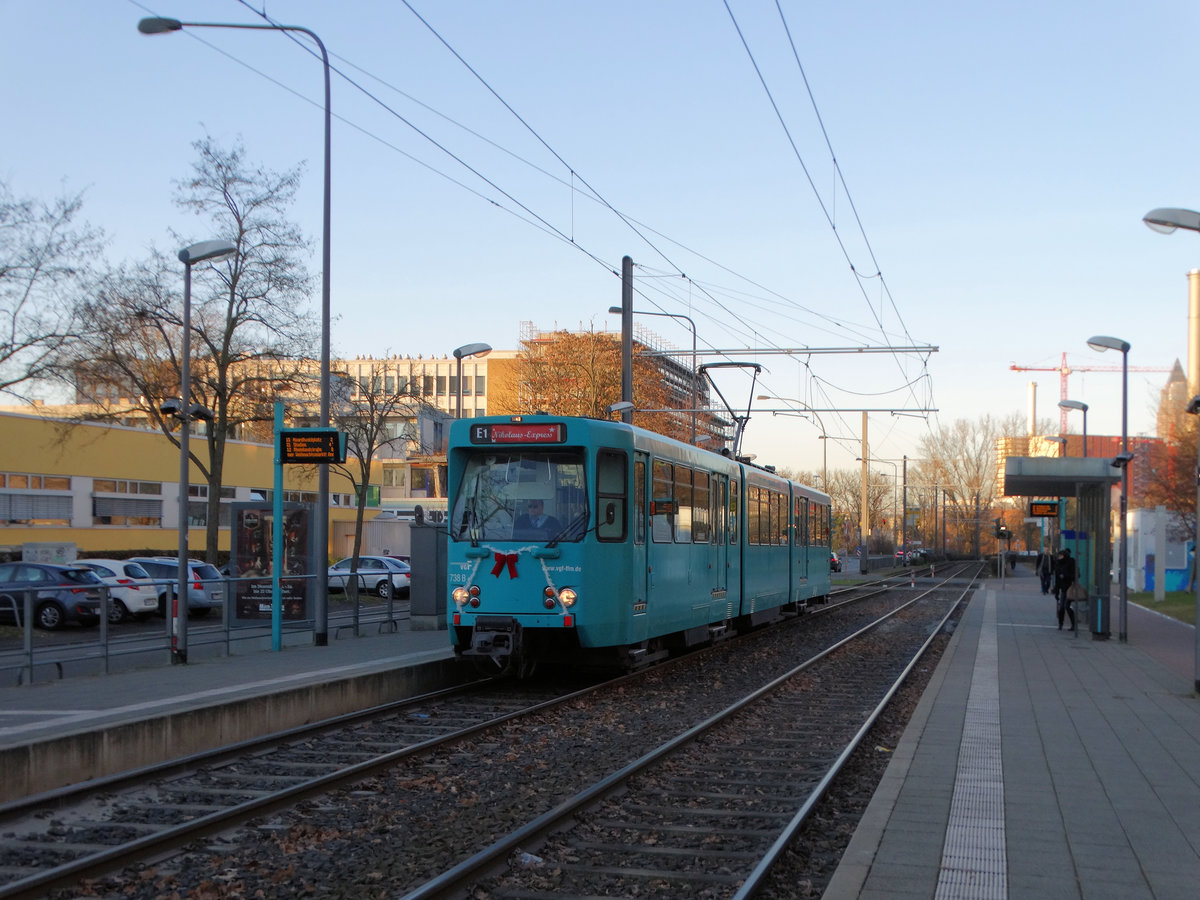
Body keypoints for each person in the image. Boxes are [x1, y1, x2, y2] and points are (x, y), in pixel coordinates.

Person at [1052, 548, 1077, 630]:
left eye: (1061, 556)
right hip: (1063, 589)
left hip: (1069, 587)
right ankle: (1060, 623)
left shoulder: (1071, 562)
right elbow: (1057, 579)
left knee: (1067, 606)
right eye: (1059, 556)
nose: (1059, 557)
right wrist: (1056, 591)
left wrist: (1065, 575)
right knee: (1062, 607)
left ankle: (1073, 624)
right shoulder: (1058, 564)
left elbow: (1075, 575)